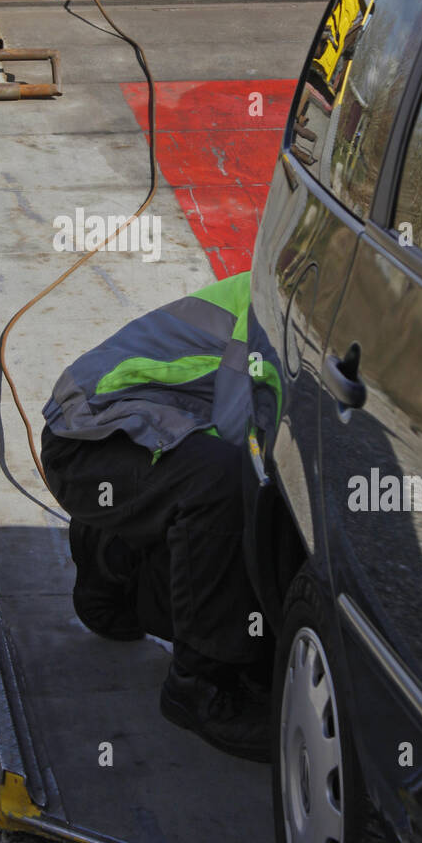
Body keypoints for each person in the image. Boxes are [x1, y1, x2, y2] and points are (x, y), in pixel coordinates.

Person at [40, 270, 282, 761]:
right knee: (227, 484)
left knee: (221, 490)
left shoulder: (292, 290)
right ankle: (198, 685)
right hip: (88, 440)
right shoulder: (273, 308)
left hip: (116, 441)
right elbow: (239, 431)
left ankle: (110, 558)